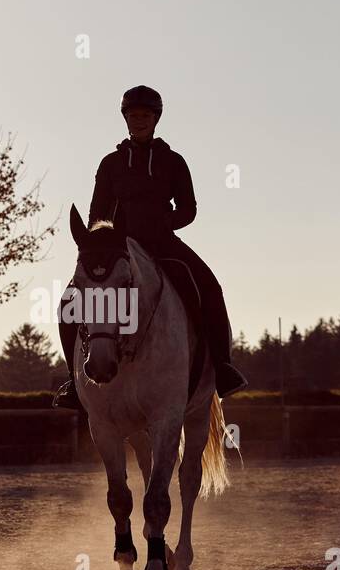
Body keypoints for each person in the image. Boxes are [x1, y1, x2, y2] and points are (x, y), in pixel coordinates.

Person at [54, 84, 248, 410]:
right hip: (118, 249)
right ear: (125, 119)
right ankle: (75, 383)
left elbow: (188, 210)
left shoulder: (173, 161)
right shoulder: (110, 164)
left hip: (163, 243)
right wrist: (107, 239)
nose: (138, 121)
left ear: (156, 119)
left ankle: (223, 368)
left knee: (210, 286)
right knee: (68, 301)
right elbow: (97, 215)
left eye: (144, 115)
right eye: (132, 116)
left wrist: (161, 224)